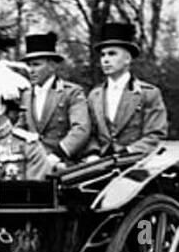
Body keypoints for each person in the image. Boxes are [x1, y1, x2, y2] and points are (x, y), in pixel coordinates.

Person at [85, 22, 167, 158]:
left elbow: (156, 135)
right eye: (103, 55)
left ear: (127, 59)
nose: (105, 60)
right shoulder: (94, 95)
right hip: (100, 164)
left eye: (112, 54)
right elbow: (90, 133)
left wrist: (129, 151)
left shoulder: (148, 93)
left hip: (136, 163)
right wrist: (93, 153)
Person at [18, 31, 90, 170]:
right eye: (29, 65)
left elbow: (81, 129)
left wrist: (57, 155)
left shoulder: (71, 92)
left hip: (62, 163)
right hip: (32, 162)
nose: (31, 70)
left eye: (36, 64)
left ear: (52, 65)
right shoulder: (26, 95)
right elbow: (21, 128)